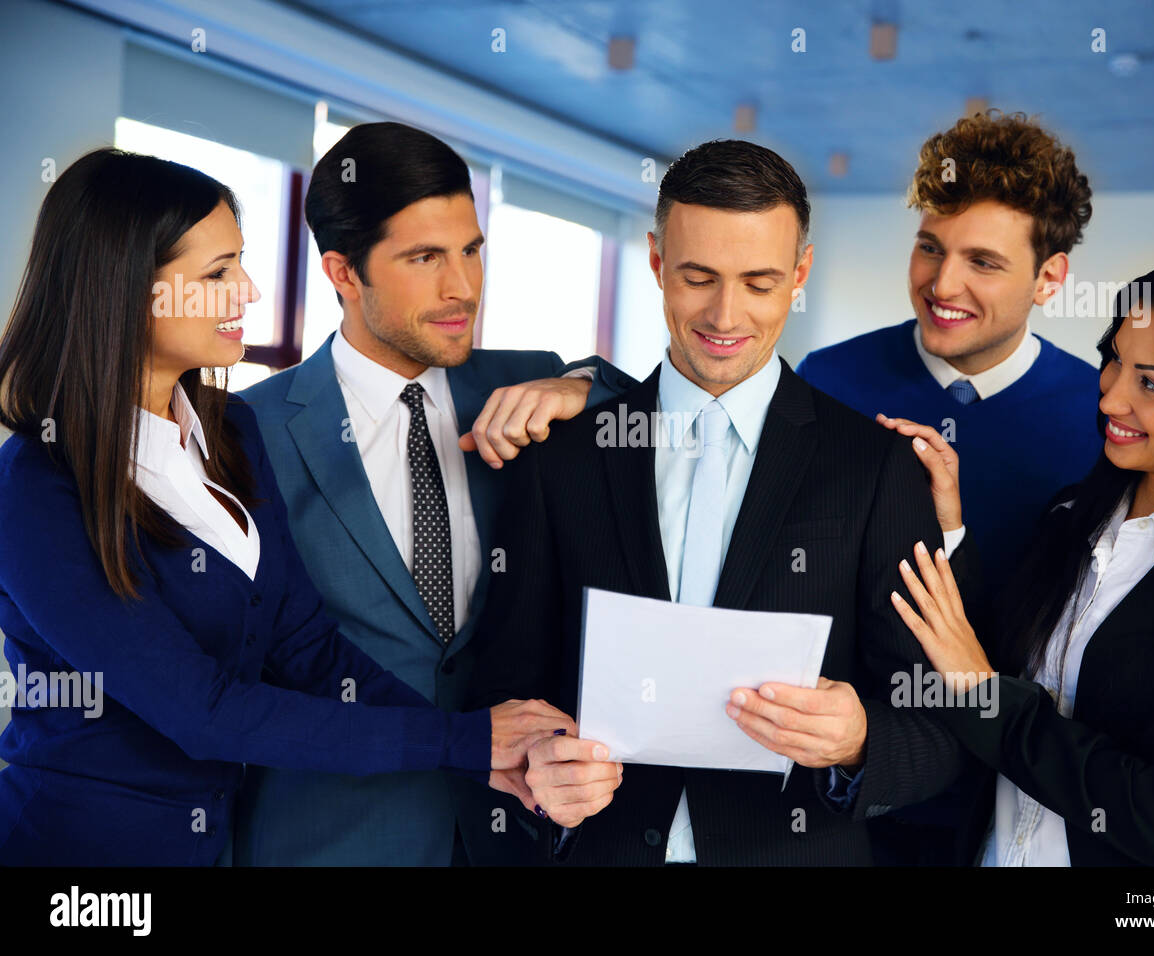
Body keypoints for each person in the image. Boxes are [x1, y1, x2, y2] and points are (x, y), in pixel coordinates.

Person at [0, 148, 570, 865]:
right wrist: (462, 740)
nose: (248, 293)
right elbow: (203, 711)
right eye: (216, 275)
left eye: (238, 264)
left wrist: (479, 755)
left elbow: (308, 650)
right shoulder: (39, 483)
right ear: (127, 289)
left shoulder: (227, 430)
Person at [463, 139, 973, 866]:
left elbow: (941, 726)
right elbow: (504, 685)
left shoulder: (877, 467)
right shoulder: (560, 457)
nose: (725, 315)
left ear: (801, 273)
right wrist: (538, 768)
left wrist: (861, 740)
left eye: (760, 282)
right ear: (654, 262)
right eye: (698, 276)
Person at [233, 122, 635, 866]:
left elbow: (647, 408)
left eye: (472, 250)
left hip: (511, 836)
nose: (464, 288)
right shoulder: (248, 430)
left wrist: (579, 386)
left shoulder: (529, 382)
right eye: (425, 258)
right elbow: (233, 684)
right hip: (328, 841)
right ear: (343, 273)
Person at [885, 250, 1154, 865]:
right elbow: (986, 661)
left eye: (1152, 384)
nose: (1109, 400)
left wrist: (984, 698)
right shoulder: (1071, 515)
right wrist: (949, 525)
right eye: (1114, 362)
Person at [797, 110, 1100, 577]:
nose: (942, 286)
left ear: (1048, 279)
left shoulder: (1103, 415)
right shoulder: (825, 380)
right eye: (931, 248)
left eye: (982, 262)